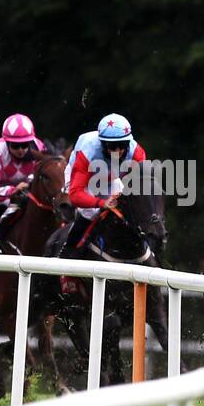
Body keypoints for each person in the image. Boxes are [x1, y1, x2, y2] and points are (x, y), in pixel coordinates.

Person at [59, 113, 146, 293]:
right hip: (82, 179)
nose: (118, 151)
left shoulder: (137, 153)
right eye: (112, 146)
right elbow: (76, 194)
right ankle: (68, 262)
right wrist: (101, 203)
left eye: (122, 145)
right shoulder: (88, 151)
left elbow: (137, 183)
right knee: (89, 213)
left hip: (109, 177)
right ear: (103, 144)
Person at [0, 113, 46, 231]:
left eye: (25, 145)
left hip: (25, 192)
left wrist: (29, 184)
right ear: (7, 142)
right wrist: (14, 190)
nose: (21, 150)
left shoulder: (39, 147)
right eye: (15, 146)